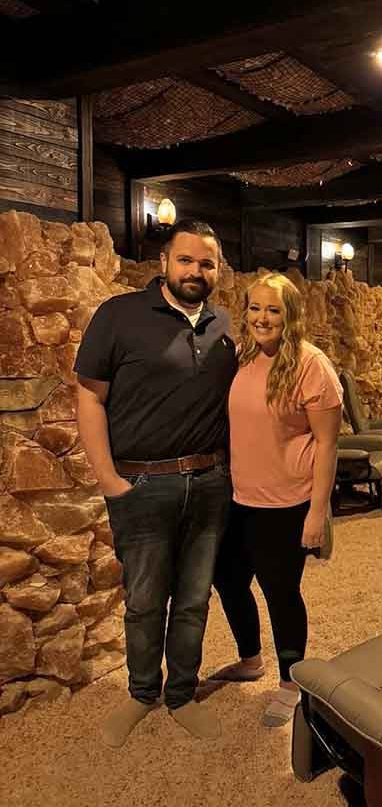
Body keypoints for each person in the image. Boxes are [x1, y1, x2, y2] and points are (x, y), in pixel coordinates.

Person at [75, 219, 237, 747]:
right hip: (141, 485)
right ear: (164, 262)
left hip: (210, 483)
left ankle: (182, 694)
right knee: (144, 600)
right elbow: (90, 397)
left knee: (193, 599)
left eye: (207, 263)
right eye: (186, 260)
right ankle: (143, 692)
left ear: (218, 270)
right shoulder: (117, 316)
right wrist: (107, 478)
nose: (196, 271)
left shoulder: (225, 326)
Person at [213, 272, 342, 726]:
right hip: (239, 498)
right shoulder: (243, 357)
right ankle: (251, 661)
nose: (263, 318)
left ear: (290, 314)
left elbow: (328, 444)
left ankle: (291, 682)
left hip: (287, 503)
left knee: (280, 593)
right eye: (255, 308)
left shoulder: (311, 364)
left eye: (273, 309)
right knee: (228, 580)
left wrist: (317, 512)